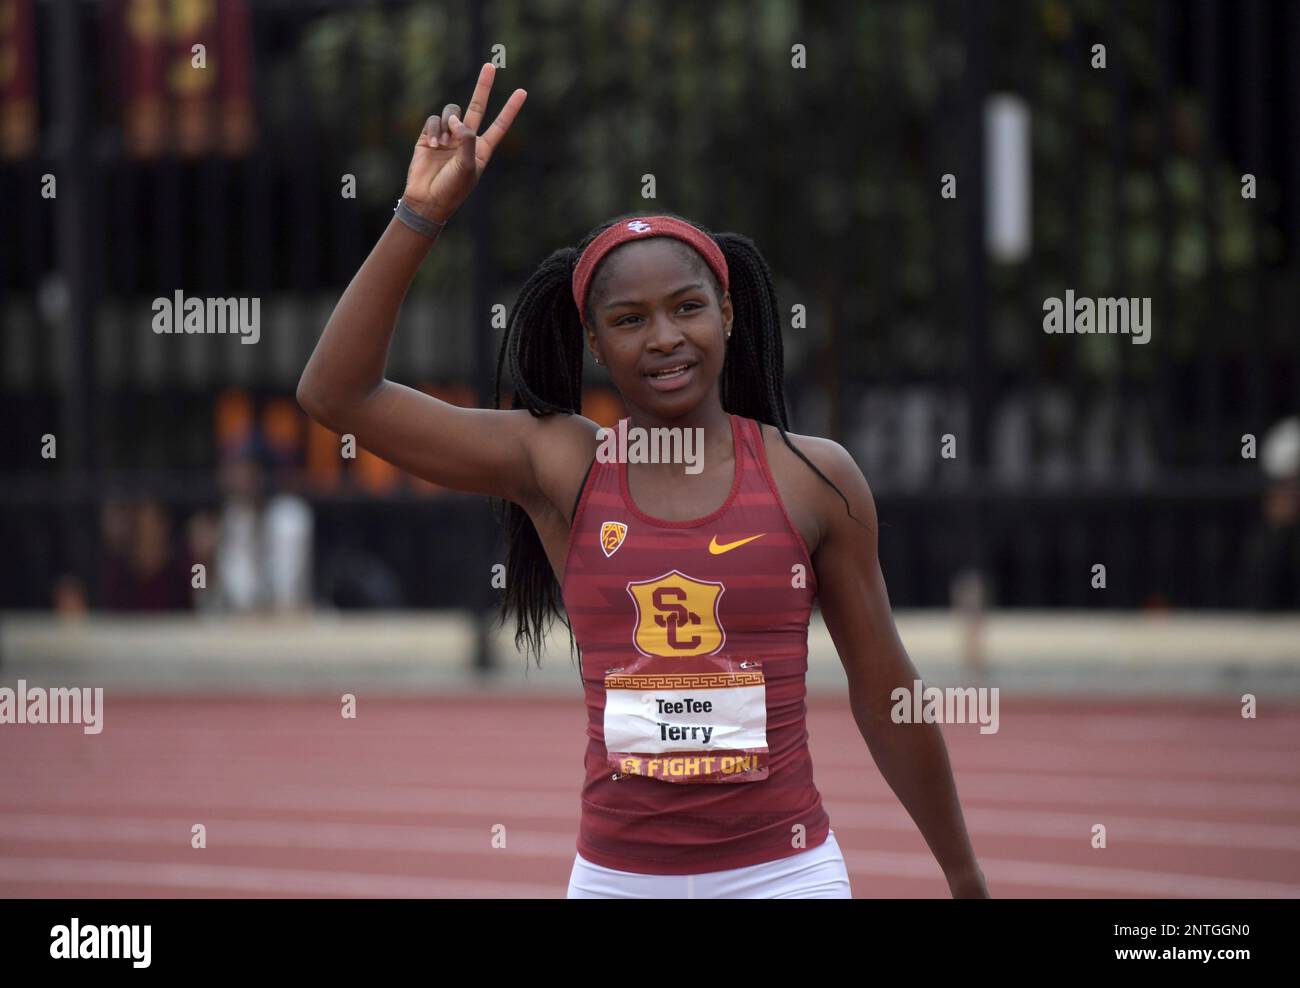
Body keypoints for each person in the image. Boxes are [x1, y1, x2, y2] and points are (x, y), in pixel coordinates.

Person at [296, 62, 988, 899]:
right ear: (595, 343)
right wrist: (420, 214)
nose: (664, 338)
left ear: (727, 312)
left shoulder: (814, 479)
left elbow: (887, 695)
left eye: (687, 308)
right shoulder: (560, 465)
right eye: (630, 320)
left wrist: (964, 876)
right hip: (617, 881)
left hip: (786, 876)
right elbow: (336, 395)